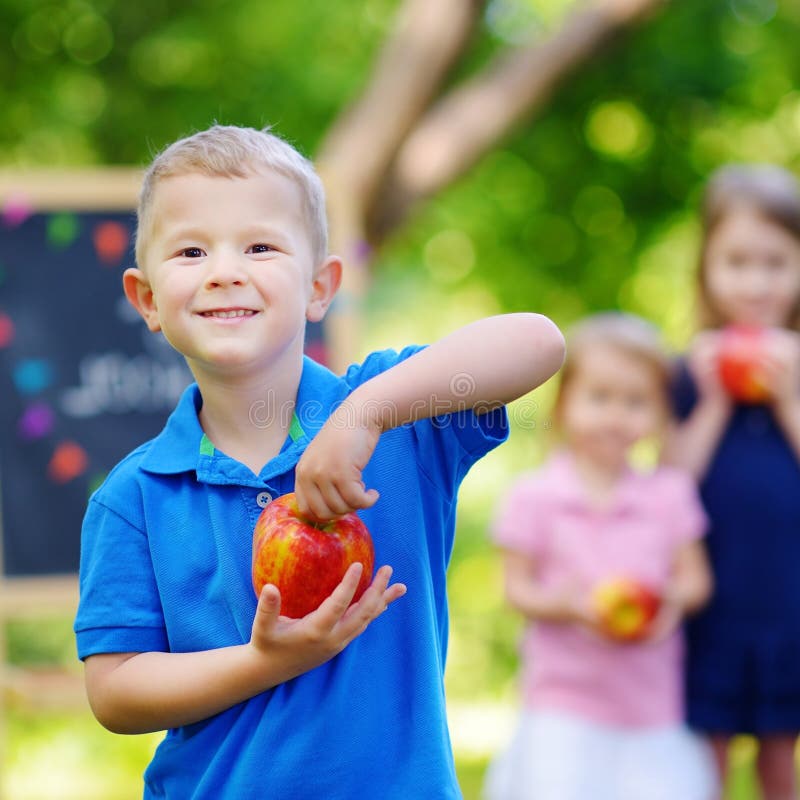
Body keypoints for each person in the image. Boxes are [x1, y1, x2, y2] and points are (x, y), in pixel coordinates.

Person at [72, 124, 566, 799]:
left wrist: (364, 416)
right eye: (191, 250)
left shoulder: (399, 422)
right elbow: (116, 690)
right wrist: (263, 661)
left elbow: (537, 342)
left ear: (320, 287)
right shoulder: (135, 495)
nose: (225, 270)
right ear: (149, 300)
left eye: (259, 246)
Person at [484, 312, 717, 800]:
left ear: (659, 414)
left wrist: (669, 600)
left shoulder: (669, 494)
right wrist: (564, 605)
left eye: (636, 402)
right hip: (563, 704)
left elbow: (697, 580)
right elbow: (516, 588)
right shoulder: (536, 496)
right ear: (564, 405)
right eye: (599, 398)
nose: (616, 416)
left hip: (651, 708)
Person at [664, 164, 800, 800]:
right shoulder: (689, 371)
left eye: (775, 263)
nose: (755, 282)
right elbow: (668, 486)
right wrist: (714, 401)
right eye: (737, 263)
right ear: (707, 270)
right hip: (713, 599)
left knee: (781, 758)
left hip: (787, 598)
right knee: (706, 757)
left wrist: (791, 400)